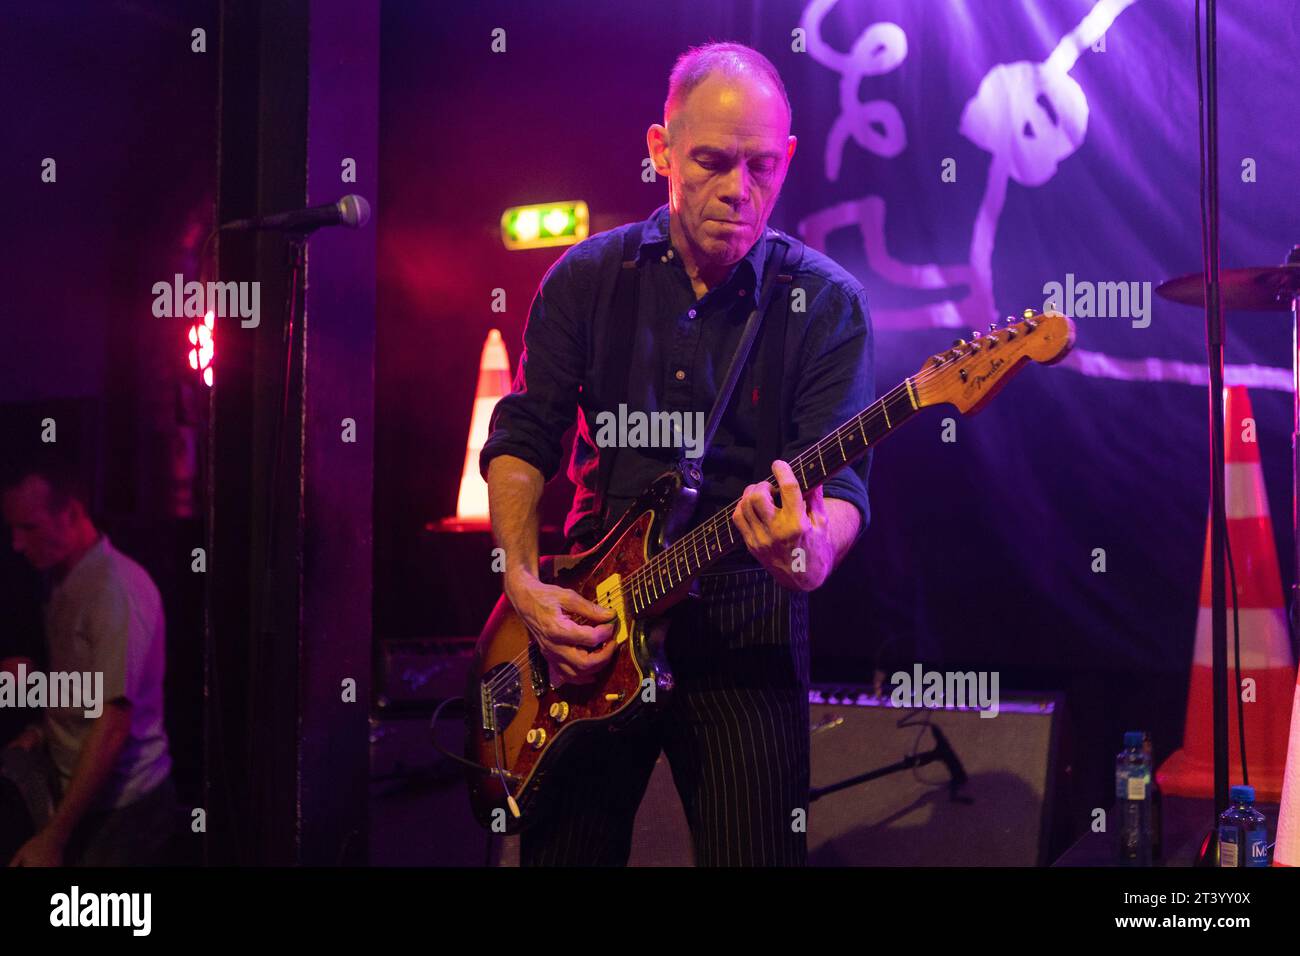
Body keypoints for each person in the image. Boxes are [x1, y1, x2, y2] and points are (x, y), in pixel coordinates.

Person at [480, 42, 874, 865]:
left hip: (746, 618)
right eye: (713, 161)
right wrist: (521, 581)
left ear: (789, 157)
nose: (741, 189)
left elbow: (839, 491)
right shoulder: (585, 280)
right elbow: (521, 440)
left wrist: (810, 553)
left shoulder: (826, 303)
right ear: (660, 149)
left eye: (764, 165)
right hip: (587, 614)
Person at [0, 457, 179, 866]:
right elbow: (85, 685)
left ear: (73, 513)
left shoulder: (116, 592)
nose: (16, 543)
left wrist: (54, 838)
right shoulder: (58, 576)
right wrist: (41, 730)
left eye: (29, 527)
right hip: (81, 796)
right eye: (12, 528)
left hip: (126, 809)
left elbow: (112, 726)